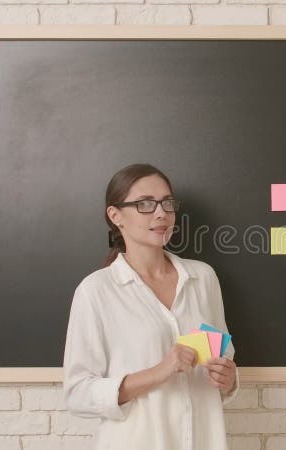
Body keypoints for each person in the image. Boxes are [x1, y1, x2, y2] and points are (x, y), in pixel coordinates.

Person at [63, 163, 239, 450]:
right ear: (115, 215)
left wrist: (228, 378)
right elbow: (78, 394)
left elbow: (224, 354)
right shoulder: (96, 291)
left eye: (167, 203)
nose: (161, 213)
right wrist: (160, 370)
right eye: (145, 204)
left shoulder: (203, 278)